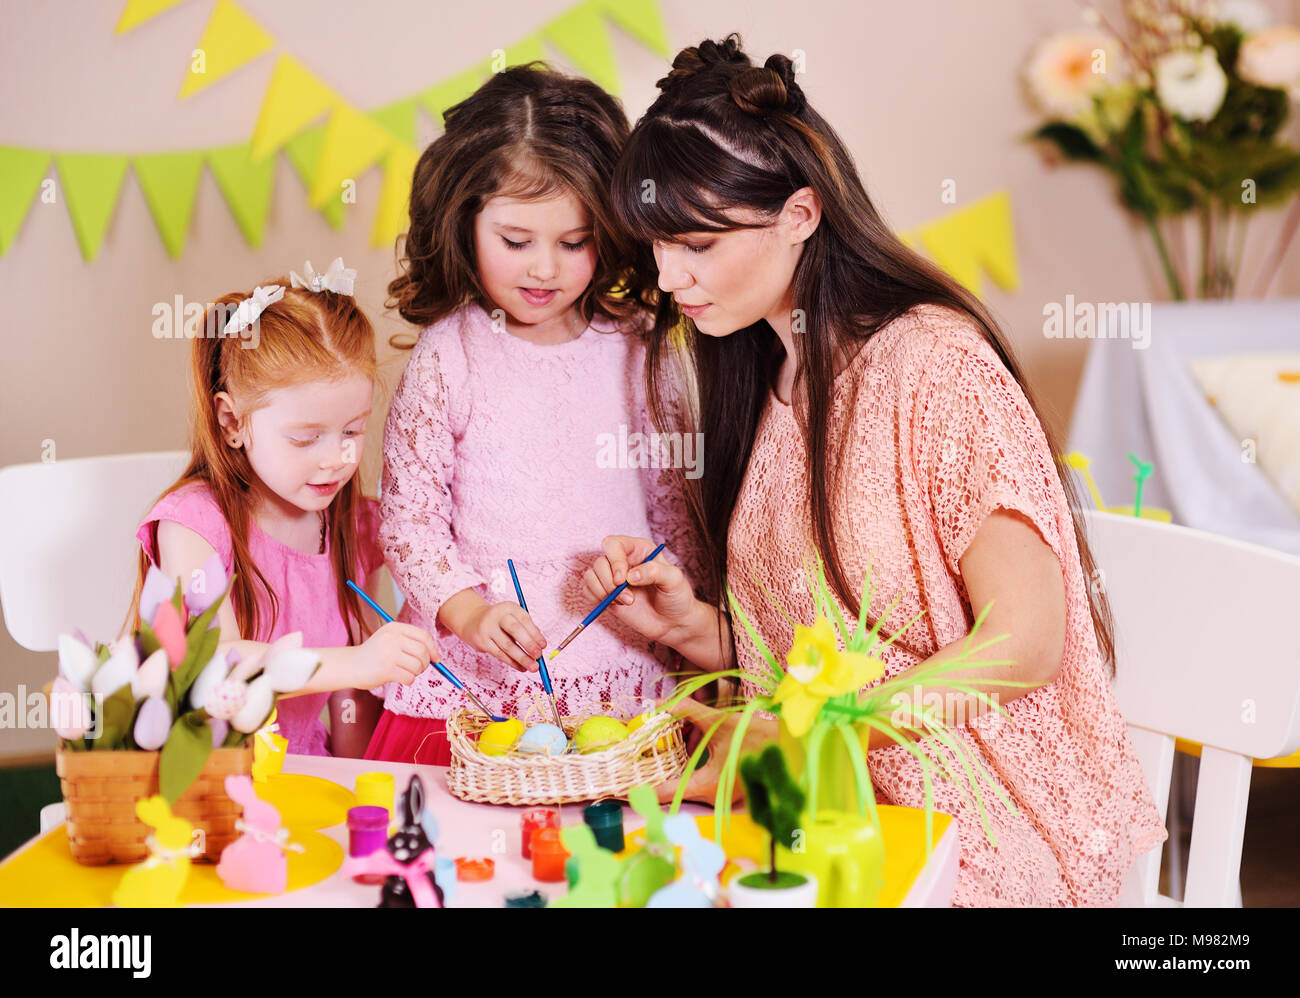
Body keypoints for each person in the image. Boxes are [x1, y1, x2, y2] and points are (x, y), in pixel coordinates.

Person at [580, 35, 1168, 906]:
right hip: (828, 809)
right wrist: (699, 631)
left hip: (968, 827)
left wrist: (810, 736)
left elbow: (1025, 642)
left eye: (696, 245)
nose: (669, 276)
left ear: (801, 215)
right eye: (656, 247)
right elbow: (833, 650)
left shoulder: (934, 369)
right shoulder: (766, 373)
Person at [365, 65, 702, 765]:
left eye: (574, 242)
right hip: (480, 688)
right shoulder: (448, 355)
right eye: (516, 241)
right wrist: (469, 613)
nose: (544, 268)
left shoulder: (639, 348)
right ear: (465, 223)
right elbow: (410, 518)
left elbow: (674, 508)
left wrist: (679, 611)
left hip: (621, 675)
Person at [127, 262, 435, 756]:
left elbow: (348, 702)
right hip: (206, 779)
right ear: (233, 422)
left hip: (308, 775)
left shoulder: (352, 525)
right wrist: (359, 661)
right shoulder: (192, 526)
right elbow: (217, 666)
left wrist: (363, 787)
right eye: (306, 438)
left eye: (353, 430)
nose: (340, 458)